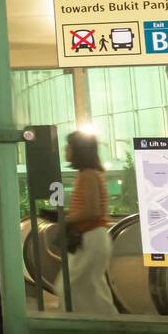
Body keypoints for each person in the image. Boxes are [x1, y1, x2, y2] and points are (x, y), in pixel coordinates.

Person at [56, 131, 117, 315]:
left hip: (91, 238)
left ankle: (107, 327)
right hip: (92, 238)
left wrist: (65, 219)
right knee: (89, 288)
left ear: (78, 150)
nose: (65, 149)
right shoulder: (89, 174)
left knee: (72, 287)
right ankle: (106, 326)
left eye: (69, 146)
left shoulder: (88, 175)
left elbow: (92, 211)